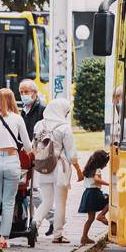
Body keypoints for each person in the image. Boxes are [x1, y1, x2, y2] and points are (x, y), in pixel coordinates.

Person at [0, 88, 32, 248]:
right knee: (9, 201)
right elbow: (28, 146)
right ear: (12, 100)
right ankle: (4, 237)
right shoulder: (17, 119)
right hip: (11, 160)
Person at [34, 96, 80, 244]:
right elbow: (72, 154)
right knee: (60, 202)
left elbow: (34, 145)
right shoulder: (64, 128)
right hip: (60, 169)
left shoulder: (39, 125)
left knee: (47, 200)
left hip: (43, 167)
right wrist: (79, 170)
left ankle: (34, 224)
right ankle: (58, 234)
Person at [78, 148, 111, 246]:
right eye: (105, 163)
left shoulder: (88, 168)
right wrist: (109, 184)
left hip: (87, 193)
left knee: (90, 218)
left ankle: (84, 237)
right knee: (111, 199)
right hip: (94, 193)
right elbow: (96, 180)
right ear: (101, 162)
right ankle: (101, 215)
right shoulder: (98, 170)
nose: (106, 165)